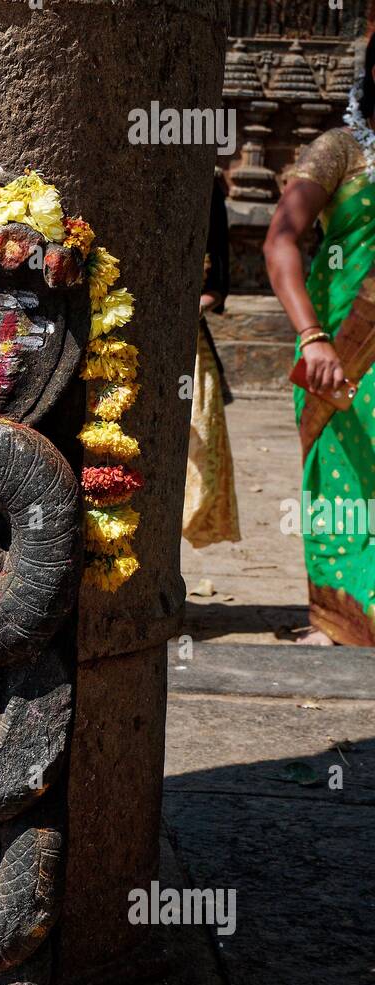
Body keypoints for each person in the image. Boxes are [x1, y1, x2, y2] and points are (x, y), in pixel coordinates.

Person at [264, 33, 375, 646]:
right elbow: (280, 240)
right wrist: (312, 337)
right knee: (342, 482)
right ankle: (339, 619)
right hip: (343, 348)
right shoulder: (341, 152)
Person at [183, 173, 241, 548]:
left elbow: (217, 284)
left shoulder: (208, 189)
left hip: (189, 339)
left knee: (198, 456)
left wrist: (189, 312)